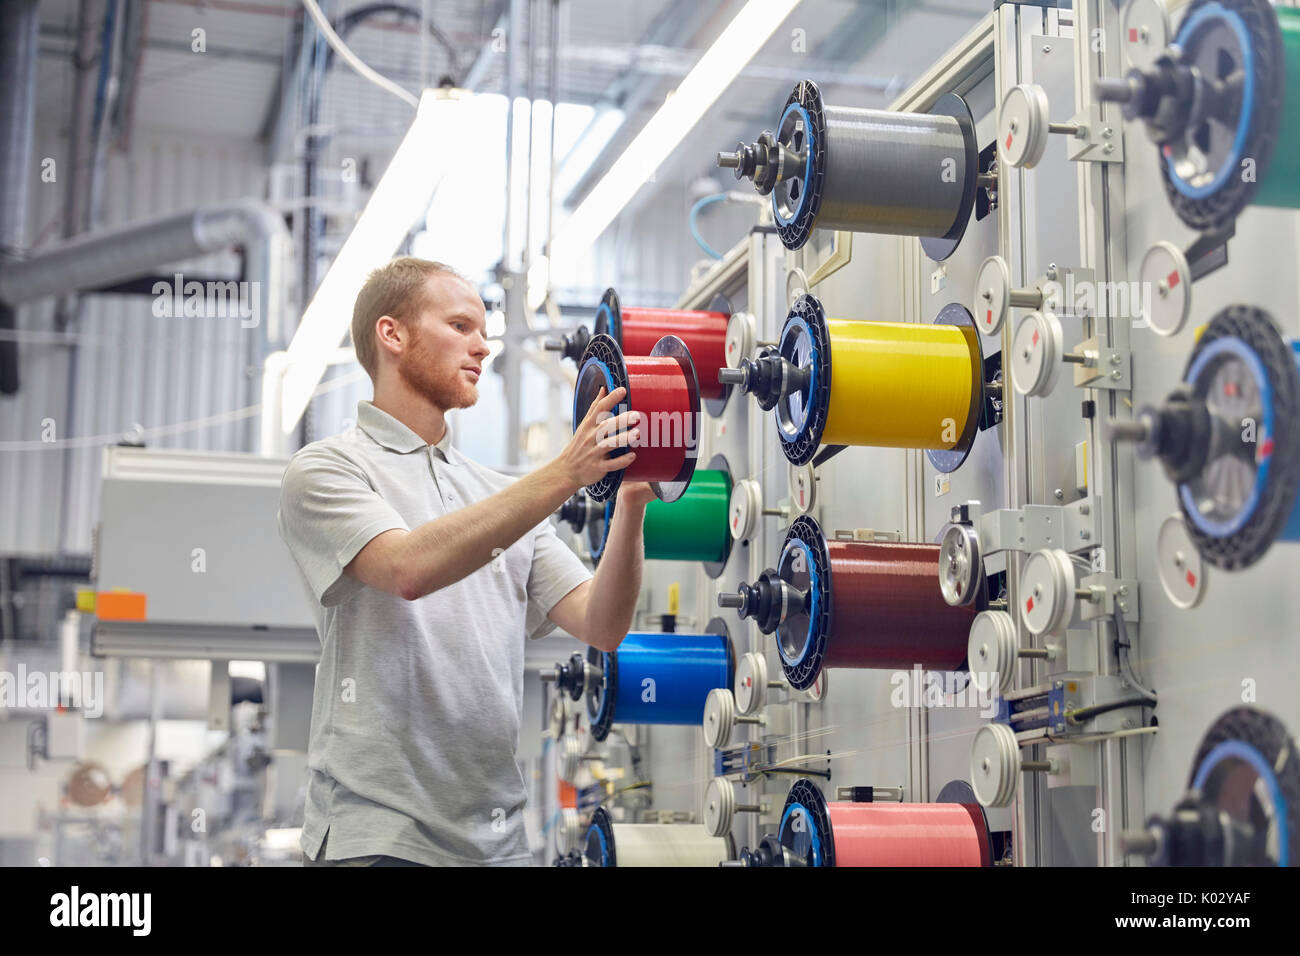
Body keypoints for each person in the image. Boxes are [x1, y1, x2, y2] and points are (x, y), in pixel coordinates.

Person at [277, 256, 653, 866]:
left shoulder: (497, 493)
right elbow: (407, 570)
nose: (482, 347)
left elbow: (603, 625)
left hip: (496, 842)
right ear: (392, 334)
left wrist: (633, 501)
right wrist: (564, 472)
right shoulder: (328, 469)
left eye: (484, 331)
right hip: (381, 836)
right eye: (460, 326)